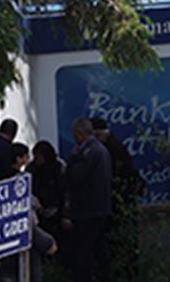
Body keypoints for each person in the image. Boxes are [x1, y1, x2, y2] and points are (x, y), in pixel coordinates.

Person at [63, 116, 112, 282]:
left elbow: (75, 176)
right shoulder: (101, 150)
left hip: (88, 209)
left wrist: (72, 159)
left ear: (79, 133)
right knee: (98, 249)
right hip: (99, 208)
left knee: (83, 251)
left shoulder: (89, 152)